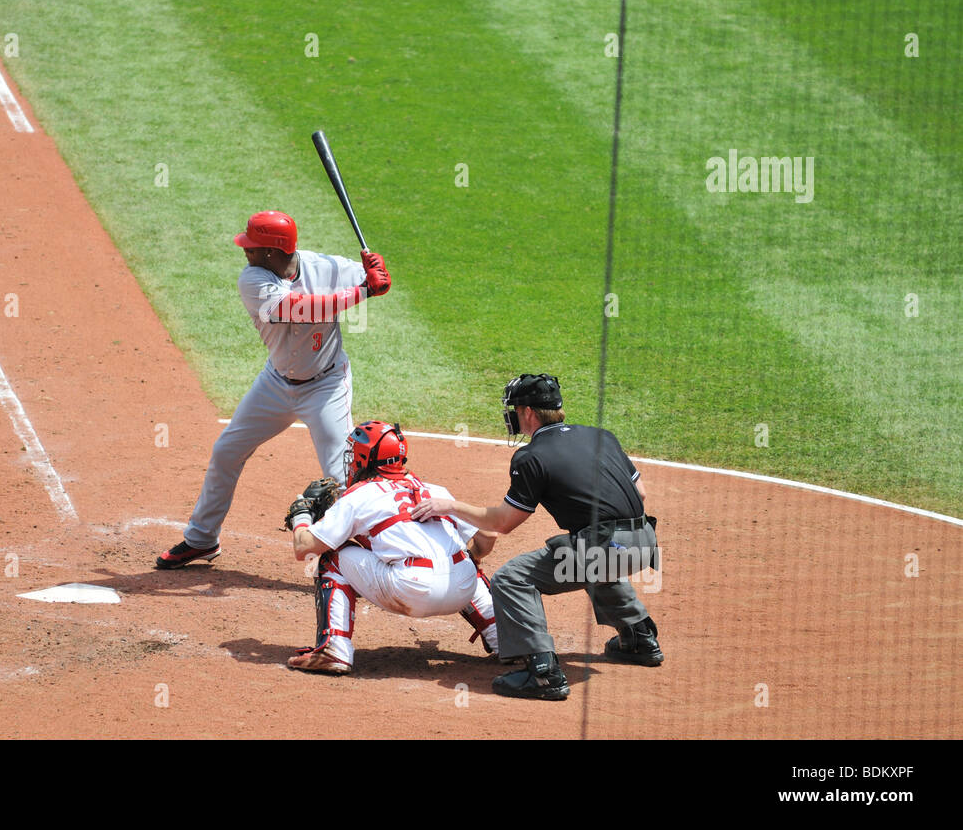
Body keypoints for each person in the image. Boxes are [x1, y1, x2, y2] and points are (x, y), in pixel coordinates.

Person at [156, 210, 392, 569]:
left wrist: (375, 271)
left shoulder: (326, 267)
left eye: (251, 246)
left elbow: (374, 278)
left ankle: (376, 553)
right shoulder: (252, 280)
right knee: (227, 450)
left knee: (342, 471)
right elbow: (297, 308)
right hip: (276, 382)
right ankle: (202, 539)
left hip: (326, 384)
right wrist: (363, 291)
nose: (244, 251)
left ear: (271, 251)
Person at [412, 373, 662, 700]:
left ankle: (542, 672)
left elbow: (502, 523)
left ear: (528, 413)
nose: (512, 415)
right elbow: (640, 494)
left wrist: (450, 506)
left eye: (515, 409)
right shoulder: (602, 436)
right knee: (594, 556)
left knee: (513, 578)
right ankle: (639, 638)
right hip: (645, 542)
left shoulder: (531, 456)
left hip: (606, 547)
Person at [285, 421, 500, 674]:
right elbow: (488, 536)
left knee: (332, 556)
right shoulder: (434, 490)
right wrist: (471, 557)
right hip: (462, 589)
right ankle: (505, 639)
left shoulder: (359, 495)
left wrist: (301, 516)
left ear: (364, 458)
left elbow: (304, 548)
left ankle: (334, 648)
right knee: (461, 558)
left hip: (411, 589)